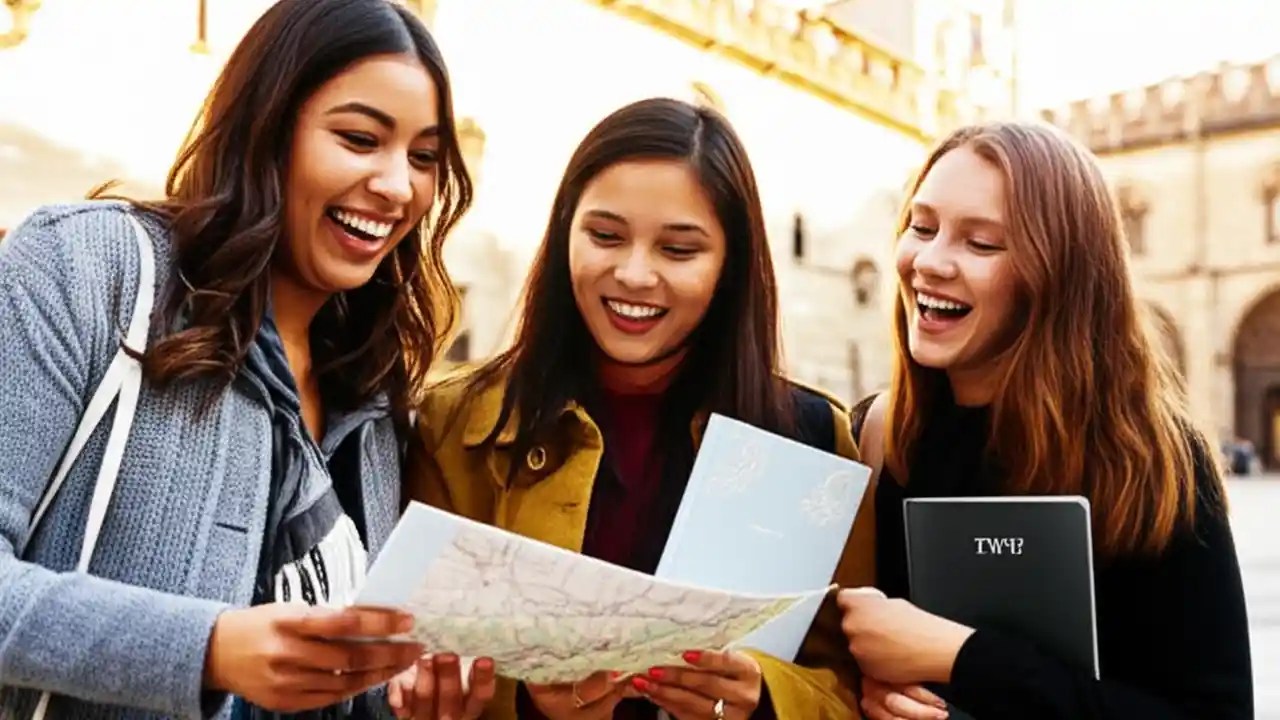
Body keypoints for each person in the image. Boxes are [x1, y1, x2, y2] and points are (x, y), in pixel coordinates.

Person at [0, 1, 490, 718]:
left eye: (423, 157)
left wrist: (411, 700)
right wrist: (207, 649)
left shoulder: (376, 401)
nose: (397, 185)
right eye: (359, 139)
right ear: (266, 127)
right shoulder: (88, 269)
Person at [405, 97, 875, 720]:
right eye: (604, 236)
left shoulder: (811, 438)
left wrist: (762, 699)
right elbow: (410, 661)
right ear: (564, 234)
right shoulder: (454, 423)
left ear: (731, 265)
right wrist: (526, 703)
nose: (633, 274)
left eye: (679, 251)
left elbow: (853, 684)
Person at [836, 121, 1253, 719]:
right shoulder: (875, 437)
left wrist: (965, 659)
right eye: (921, 228)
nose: (929, 261)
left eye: (980, 244)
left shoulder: (1150, 460)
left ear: (1058, 272)